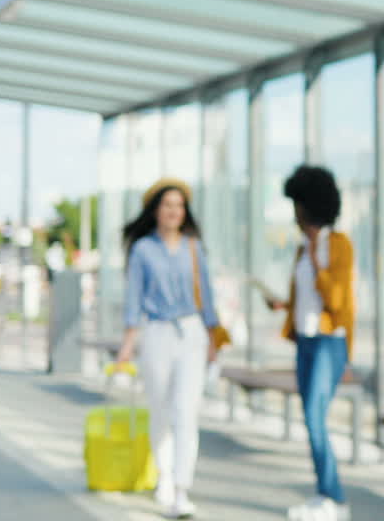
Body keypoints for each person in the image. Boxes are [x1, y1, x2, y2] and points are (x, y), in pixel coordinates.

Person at [116, 178, 222, 519]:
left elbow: (206, 295)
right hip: (157, 333)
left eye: (179, 205)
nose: (174, 211)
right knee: (160, 408)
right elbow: (134, 300)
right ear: (156, 210)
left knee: (185, 412)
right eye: (167, 205)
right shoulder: (143, 250)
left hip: (192, 333)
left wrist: (214, 340)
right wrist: (126, 348)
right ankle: (163, 475)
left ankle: (181, 488)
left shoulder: (194, 247)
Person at [264, 165, 356, 521]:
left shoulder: (337, 245)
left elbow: (337, 300)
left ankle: (335, 498)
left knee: (316, 417)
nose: (295, 214)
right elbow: (306, 299)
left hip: (329, 344)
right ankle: (324, 495)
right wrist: (282, 305)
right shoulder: (303, 249)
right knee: (310, 418)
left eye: (298, 206)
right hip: (305, 341)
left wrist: (319, 261)